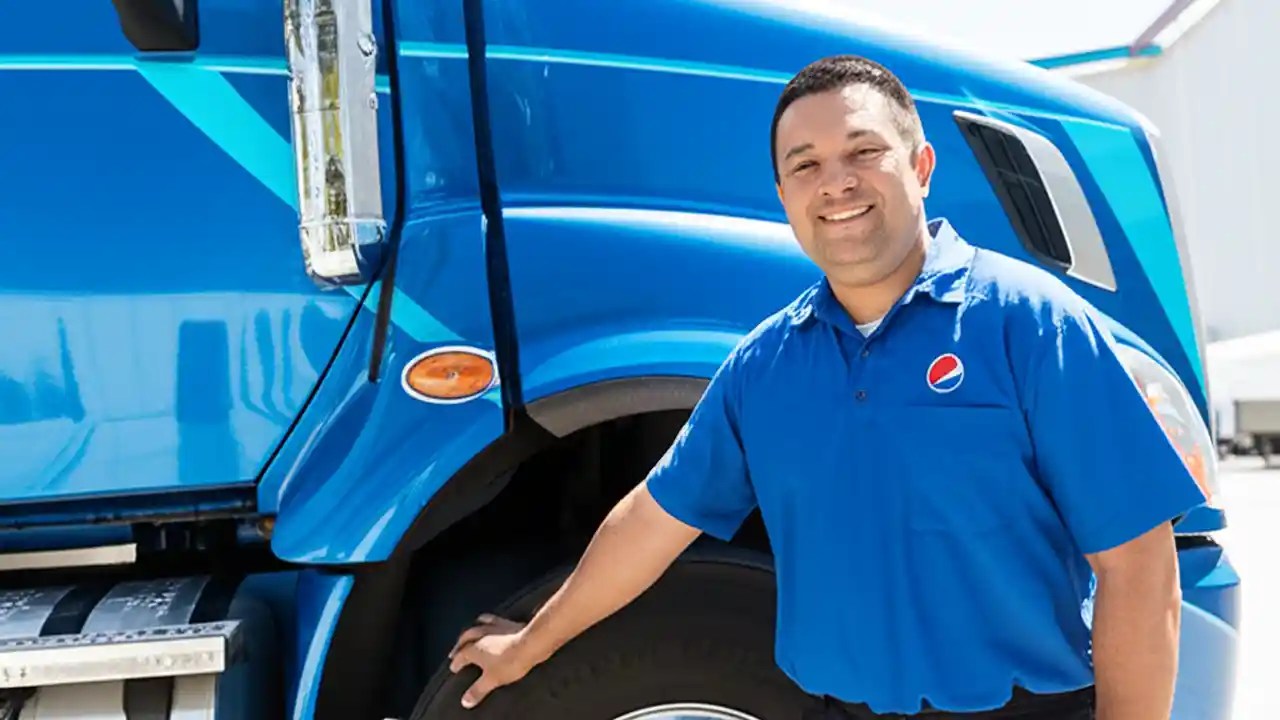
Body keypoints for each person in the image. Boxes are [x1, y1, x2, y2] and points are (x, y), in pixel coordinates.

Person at [445, 55, 1207, 719]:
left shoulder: (1030, 323)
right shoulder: (766, 365)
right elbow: (650, 521)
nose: (834, 182)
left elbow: (1139, 568)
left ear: (921, 167)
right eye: (804, 164)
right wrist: (532, 640)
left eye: (862, 151)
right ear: (783, 195)